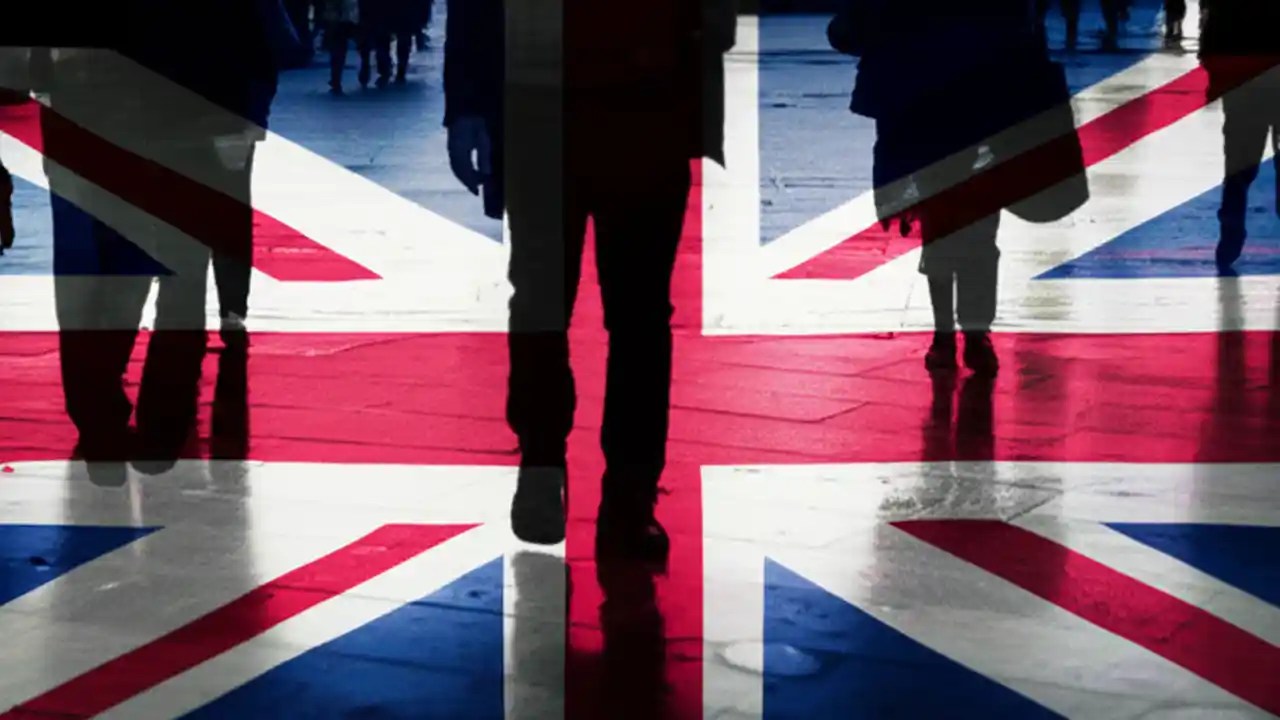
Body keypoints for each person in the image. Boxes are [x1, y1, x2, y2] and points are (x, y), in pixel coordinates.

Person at [445, 0, 737, 560]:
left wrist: (467, 104)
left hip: (568, 106)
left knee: (554, 302)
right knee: (634, 317)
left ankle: (550, 469)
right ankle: (618, 493)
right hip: (628, 106)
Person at [830, 0, 1046, 376]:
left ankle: (946, 335)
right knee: (978, 231)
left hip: (923, 112)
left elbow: (847, 31)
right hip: (979, 108)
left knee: (941, 227)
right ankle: (974, 334)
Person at [1200, 0, 1280, 271]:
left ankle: (1231, 231)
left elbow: (1211, 41)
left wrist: (1218, 81)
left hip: (1243, 86)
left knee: (1239, 166)